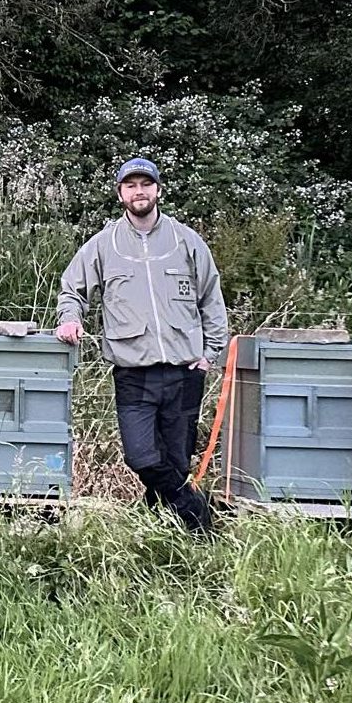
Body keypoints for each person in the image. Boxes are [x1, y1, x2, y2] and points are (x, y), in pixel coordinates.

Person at [55, 157, 228, 532]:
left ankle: (156, 530)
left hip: (185, 371)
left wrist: (211, 354)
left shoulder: (187, 240)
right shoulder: (104, 244)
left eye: (145, 184)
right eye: (131, 185)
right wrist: (70, 319)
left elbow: (211, 297)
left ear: (158, 190)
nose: (139, 191)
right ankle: (199, 517)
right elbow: (72, 289)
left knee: (177, 462)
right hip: (133, 372)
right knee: (142, 457)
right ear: (120, 194)